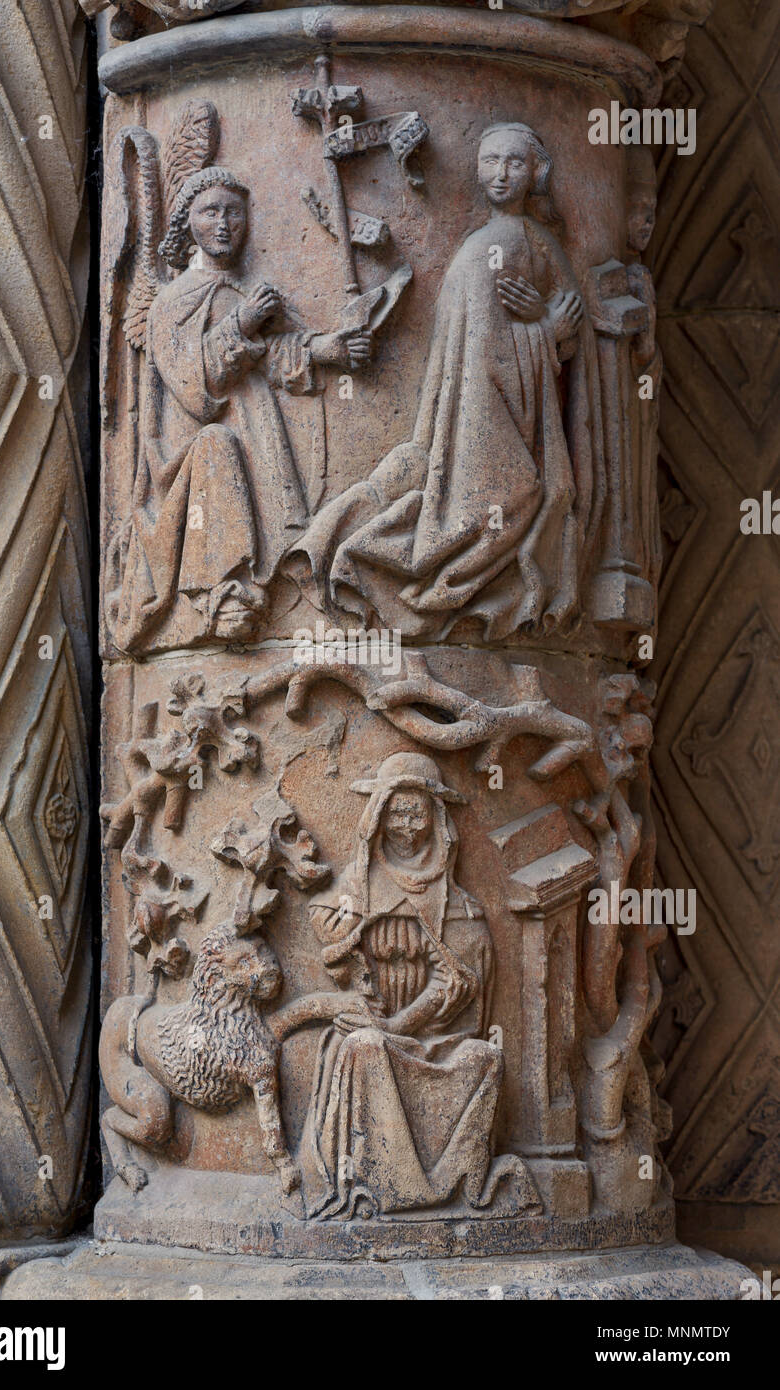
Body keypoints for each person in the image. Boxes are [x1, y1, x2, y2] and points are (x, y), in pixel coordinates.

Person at [290, 123, 604, 641]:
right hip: (483, 420)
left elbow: (575, 339)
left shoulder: (540, 245)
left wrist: (556, 330)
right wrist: (545, 332)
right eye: (490, 161)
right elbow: (482, 356)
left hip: (520, 418)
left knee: (536, 493)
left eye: (515, 163)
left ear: (537, 173)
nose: (501, 174)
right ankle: (392, 565)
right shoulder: (480, 252)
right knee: (519, 494)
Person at [106, 166, 370, 650]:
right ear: (189, 223)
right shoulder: (172, 300)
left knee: (244, 461)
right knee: (217, 446)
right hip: (189, 449)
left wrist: (327, 348)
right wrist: (242, 325)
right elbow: (194, 383)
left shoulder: (241, 292)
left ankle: (265, 590)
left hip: (257, 430)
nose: (223, 223)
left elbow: (272, 356)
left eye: (234, 212)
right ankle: (221, 593)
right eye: (210, 212)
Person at [299, 752, 517, 1220]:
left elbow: (454, 982)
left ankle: (451, 1184)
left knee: (484, 1057)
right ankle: (386, 1186)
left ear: (437, 820)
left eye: (417, 812)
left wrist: (408, 1020)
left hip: (430, 1038)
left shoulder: (459, 906)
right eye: (396, 811)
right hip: (370, 1037)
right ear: (377, 817)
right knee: (367, 1046)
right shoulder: (353, 893)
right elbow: (337, 956)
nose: (407, 825)